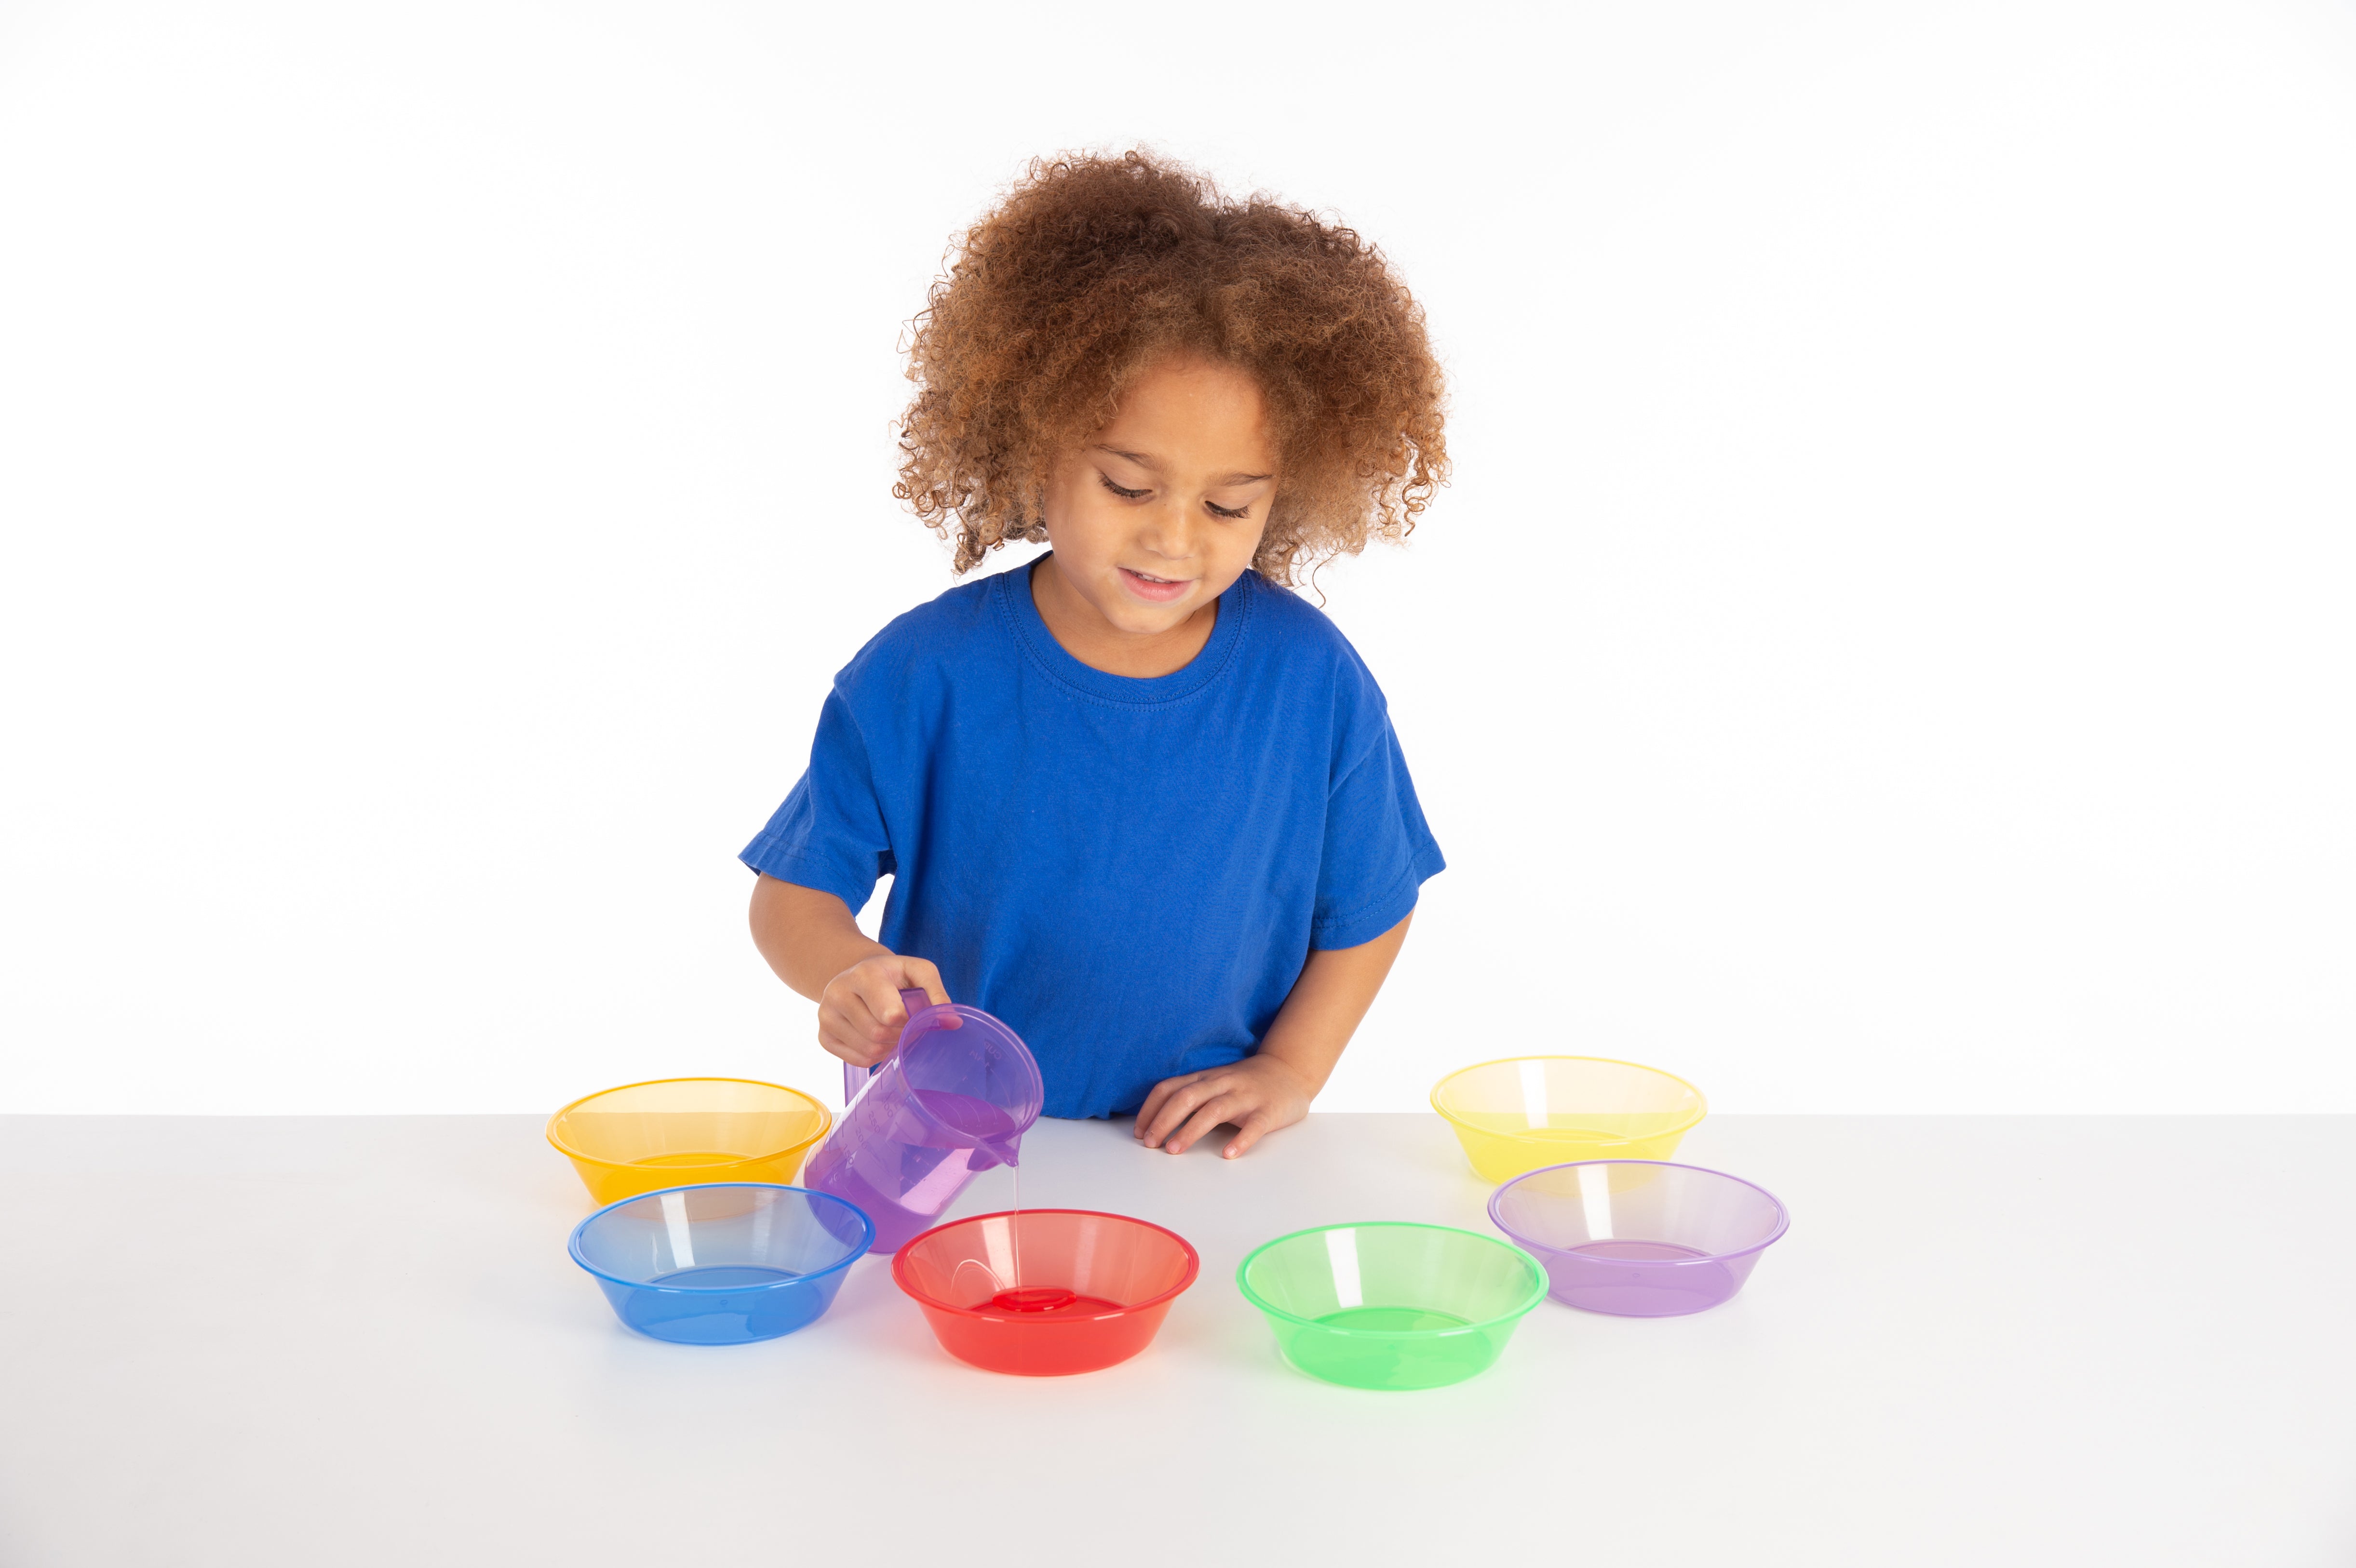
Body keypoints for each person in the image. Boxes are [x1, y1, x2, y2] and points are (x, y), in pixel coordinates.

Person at [743, 150, 1448, 1159]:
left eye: (1227, 505)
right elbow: (793, 892)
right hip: (958, 1140)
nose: (1173, 537)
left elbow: (1373, 900)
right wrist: (845, 969)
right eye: (1128, 486)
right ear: (1037, 446)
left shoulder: (1313, 682)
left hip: (1195, 1154)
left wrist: (1292, 1067)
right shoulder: (921, 673)